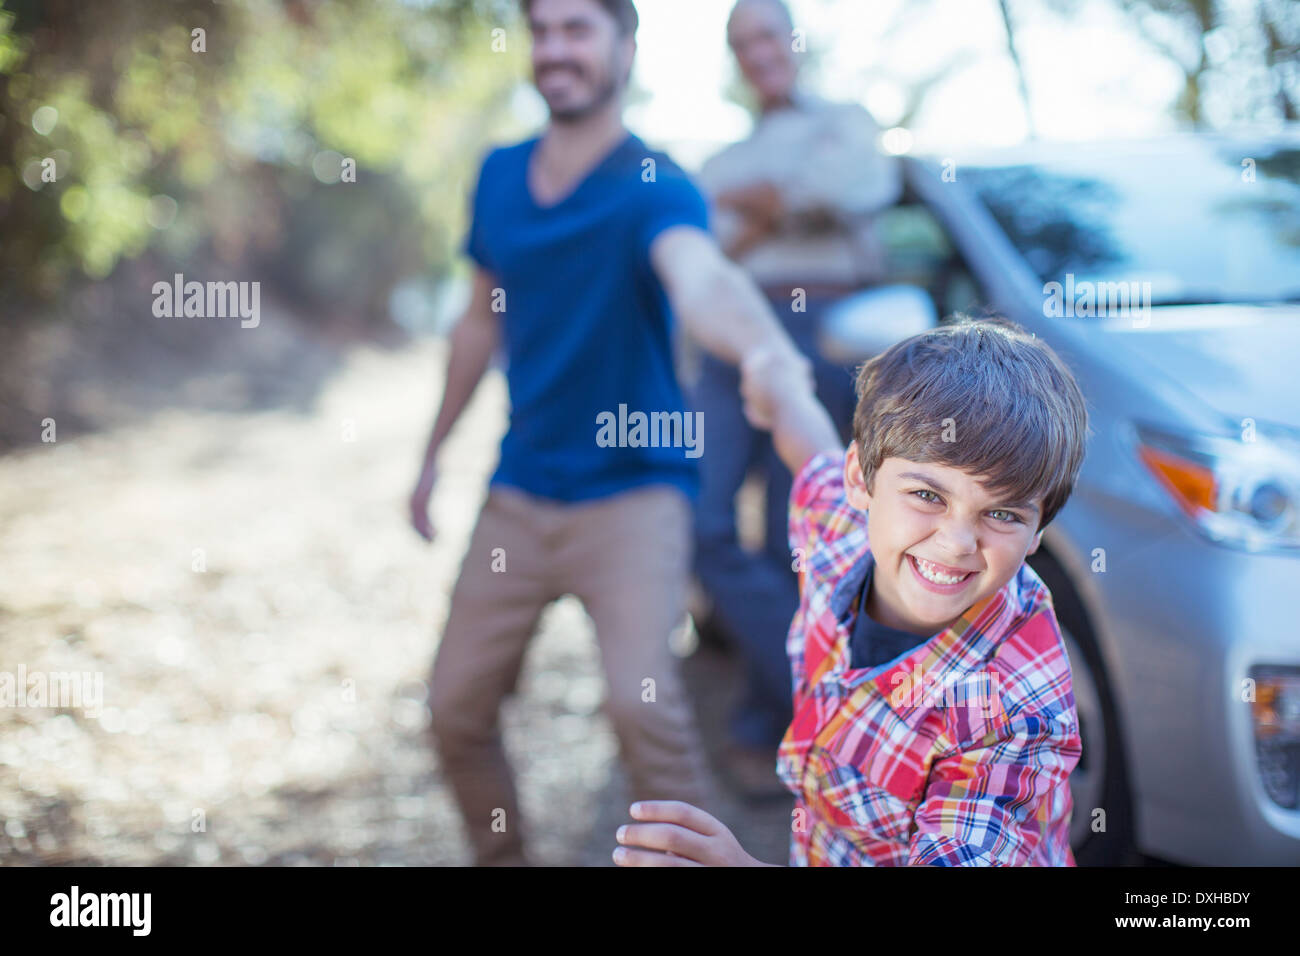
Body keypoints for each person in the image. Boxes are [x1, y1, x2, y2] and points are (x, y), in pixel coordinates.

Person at [411, 0, 825, 866]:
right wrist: (430, 456)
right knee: (455, 707)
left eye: (578, 29)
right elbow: (480, 323)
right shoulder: (497, 175)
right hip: (521, 491)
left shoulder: (655, 184)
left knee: (644, 711)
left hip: (637, 495)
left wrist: (764, 353)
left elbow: (700, 275)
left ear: (623, 47)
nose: (556, 49)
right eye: (543, 30)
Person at [611, 316, 1090, 865]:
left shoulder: (1015, 713)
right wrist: (779, 382)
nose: (957, 542)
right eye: (928, 496)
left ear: (1039, 531)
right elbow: (807, 441)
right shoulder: (840, 531)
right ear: (861, 482)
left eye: (1001, 513)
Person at [690, 0, 903, 794]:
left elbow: (853, 189)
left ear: (793, 43)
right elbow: (708, 245)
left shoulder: (848, 120)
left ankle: (765, 725)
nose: (758, 54)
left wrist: (760, 205)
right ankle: (827, 710)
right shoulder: (725, 157)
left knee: (802, 533)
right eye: (742, 44)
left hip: (826, 333)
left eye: (767, 37)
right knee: (700, 523)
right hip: (731, 335)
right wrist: (780, 198)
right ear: (735, 58)